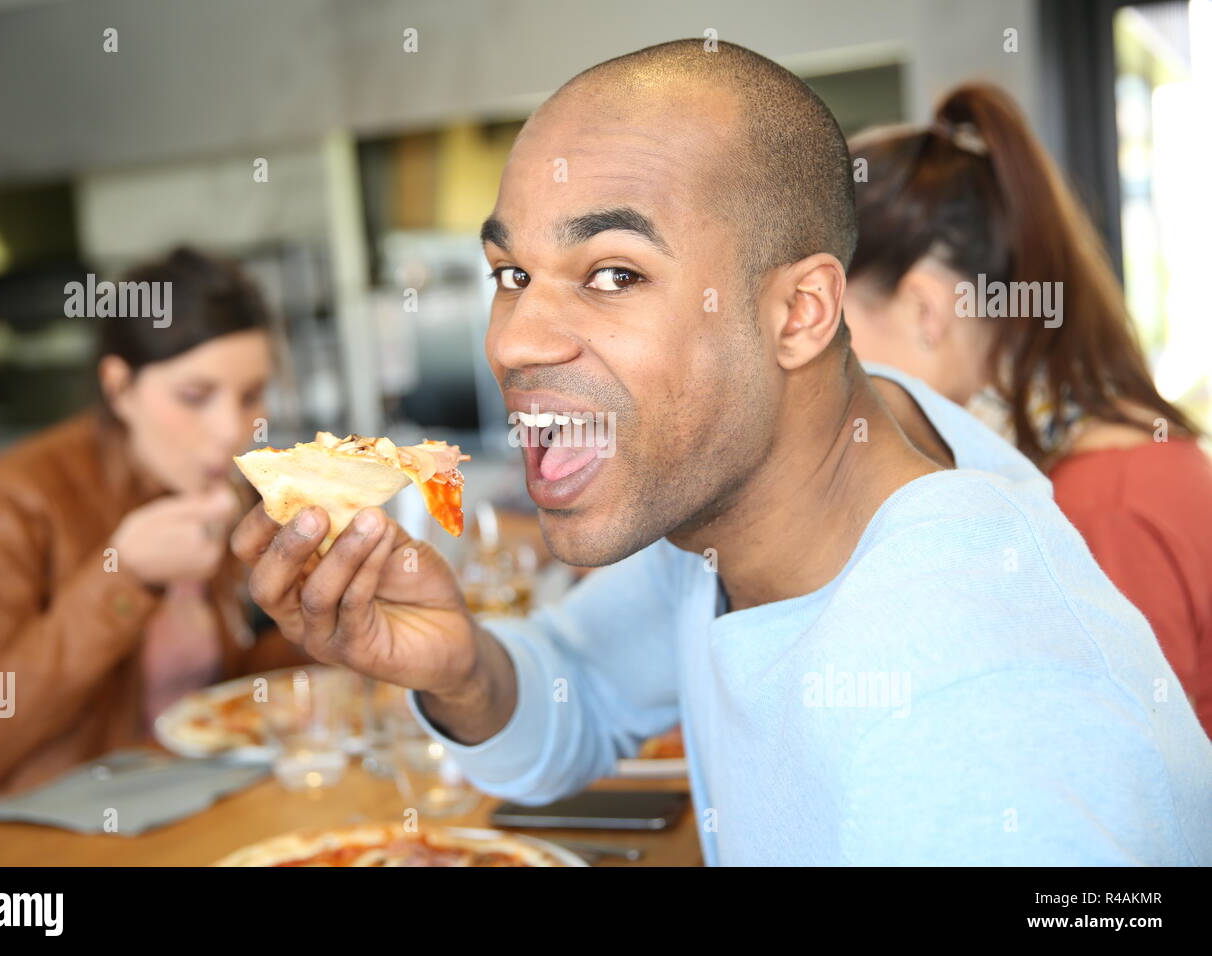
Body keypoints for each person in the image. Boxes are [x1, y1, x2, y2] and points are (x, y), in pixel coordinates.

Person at [232, 41, 1212, 864]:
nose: (513, 338)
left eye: (613, 271)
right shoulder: (774, 482)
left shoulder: (974, 713)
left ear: (799, 311)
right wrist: (458, 669)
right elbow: (576, 698)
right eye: (512, 272)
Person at [841, 83, 1212, 736]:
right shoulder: (1092, 454)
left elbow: (1111, 792)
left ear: (927, 312)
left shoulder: (1098, 507)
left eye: (837, 329)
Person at [0, 247, 309, 834]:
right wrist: (124, 577)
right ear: (120, 387)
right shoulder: (19, 493)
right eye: (194, 397)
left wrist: (324, 626)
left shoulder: (221, 488)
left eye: (251, 395)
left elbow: (208, 689)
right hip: (26, 849)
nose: (232, 430)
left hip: (180, 815)